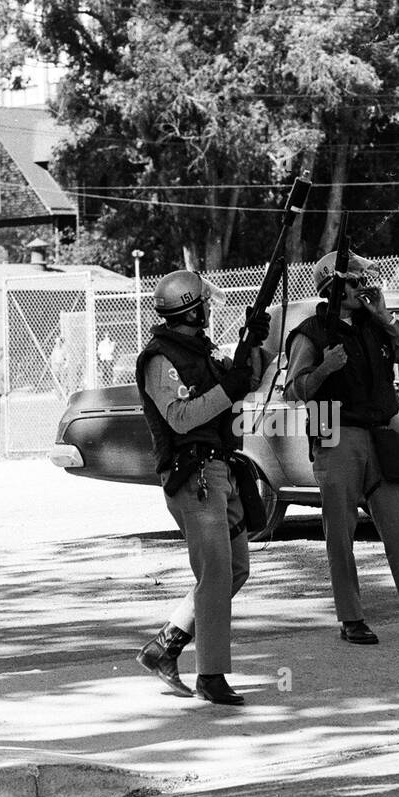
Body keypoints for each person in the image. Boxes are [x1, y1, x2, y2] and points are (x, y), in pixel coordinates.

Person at [283, 250, 399, 646]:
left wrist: (385, 315)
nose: (364, 288)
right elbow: (293, 390)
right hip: (335, 434)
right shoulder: (311, 333)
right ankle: (351, 618)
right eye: (355, 282)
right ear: (334, 288)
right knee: (340, 534)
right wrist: (324, 369)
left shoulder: (375, 324)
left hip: (378, 435)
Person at [134, 270, 270, 706]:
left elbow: (247, 382)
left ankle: (166, 646)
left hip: (221, 469)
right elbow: (180, 417)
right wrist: (229, 387)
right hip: (193, 476)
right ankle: (210, 676)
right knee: (214, 573)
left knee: (235, 569)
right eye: (205, 304)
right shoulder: (159, 359)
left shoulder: (204, 350)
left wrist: (255, 343)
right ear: (191, 309)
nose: (210, 309)